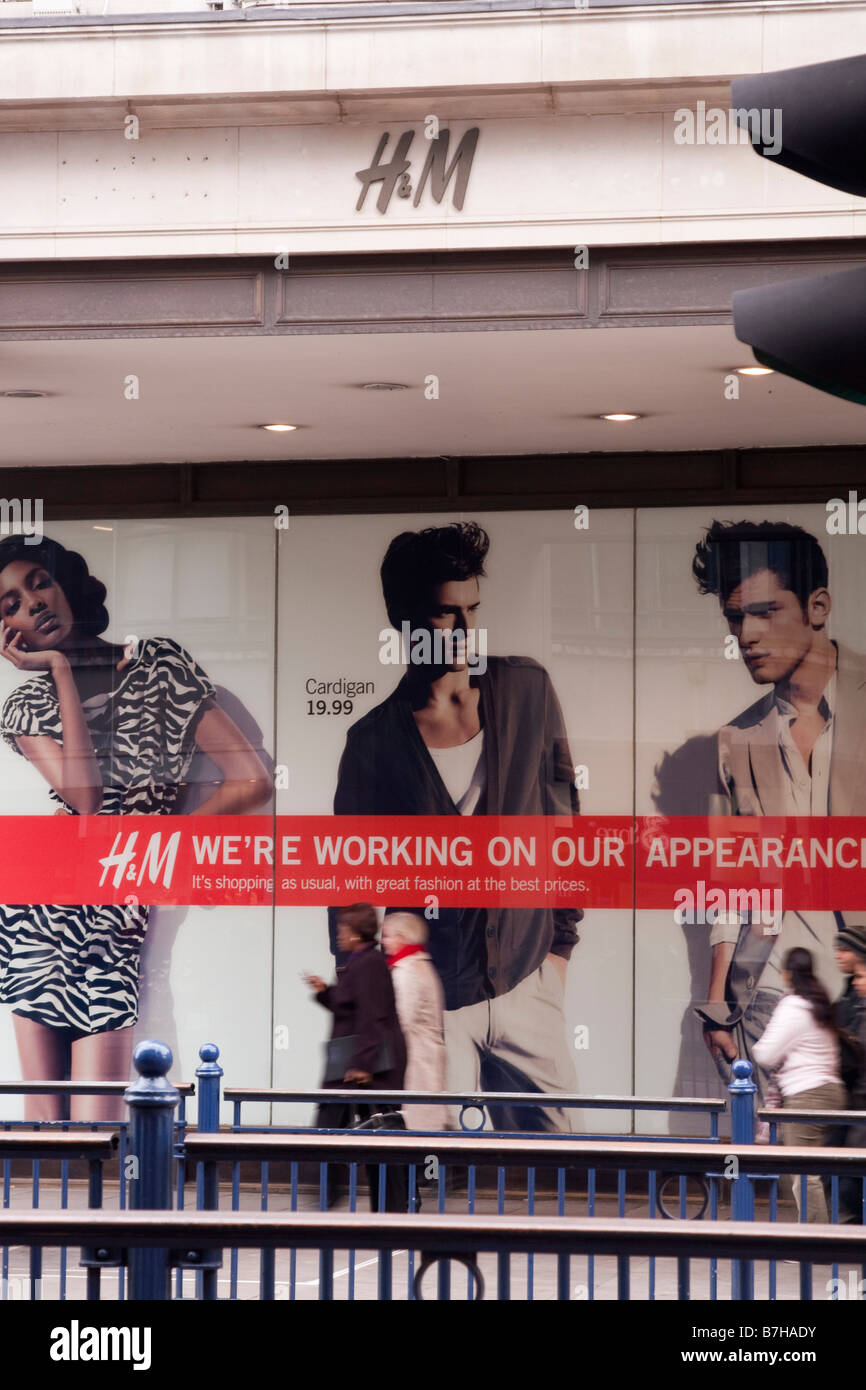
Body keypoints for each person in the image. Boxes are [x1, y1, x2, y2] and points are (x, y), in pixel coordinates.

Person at [0, 535, 272, 1122]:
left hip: (123, 906)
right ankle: (44, 1216)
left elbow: (251, 780)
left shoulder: (158, 664)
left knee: (102, 1126)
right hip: (40, 909)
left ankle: (133, 1206)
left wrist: (157, 846)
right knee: (45, 1127)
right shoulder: (24, 706)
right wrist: (60, 672)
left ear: (65, 580)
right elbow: (88, 799)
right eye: (11, 605)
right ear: (9, 634)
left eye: (38, 583)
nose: (33, 604)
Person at [329, 522, 582, 1132]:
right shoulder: (372, 743)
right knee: (436, 1170)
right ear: (404, 618)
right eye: (447, 614)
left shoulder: (527, 689)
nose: (468, 632)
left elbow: (564, 823)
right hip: (432, 1002)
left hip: (527, 983)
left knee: (570, 1166)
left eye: (474, 609)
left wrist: (559, 951)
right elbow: (352, 890)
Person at [682, 521, 866, 1097]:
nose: (747, 634)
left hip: (858, 983)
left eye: (764, 612)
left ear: (817, 607)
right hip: (770, 989)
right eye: (736, 618)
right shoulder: (736, 740)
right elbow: (729, 880)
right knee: (795, 1163)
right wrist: (717, 1002)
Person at [307, 902, 408, 1210]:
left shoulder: (369, 964)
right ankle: (343, 1198)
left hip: (370, 1068)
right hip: (361, 1065)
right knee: (372, 1134)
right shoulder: (361, 962)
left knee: (374, 1133)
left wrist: (363, 1065)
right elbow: (350, 1006)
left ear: (355, 932)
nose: (338, 934)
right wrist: (325, 991)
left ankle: (387, 1205)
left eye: (342, 929)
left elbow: (372, 1017)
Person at [752, 947, 845, 1223]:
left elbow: (765, 1054)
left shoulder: (793, 1006)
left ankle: (816, 1242)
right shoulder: (818, 1001)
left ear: (788, 974)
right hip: (831, 1090)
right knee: (809, 1170)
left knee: (804, 1174)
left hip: (807, 1094)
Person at [381, 911, 449, 1131]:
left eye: (387, 936)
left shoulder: (407, 970)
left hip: (416, 1057)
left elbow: (402, 1020)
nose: (384, 941)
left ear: (401, 938)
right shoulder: (422, 965)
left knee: (420, 1124)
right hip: (425, 1056)